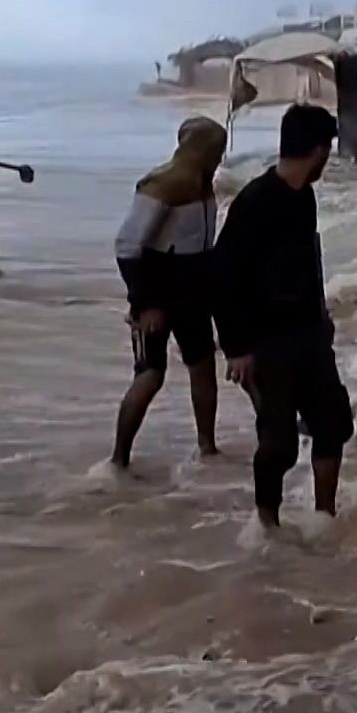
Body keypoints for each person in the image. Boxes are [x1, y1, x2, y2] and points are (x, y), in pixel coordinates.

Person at [214, 103, 353, 528]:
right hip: (265, 341)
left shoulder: (303, 197)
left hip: (309, 334)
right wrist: (236, 348)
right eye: (326, 150)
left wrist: (321, 315)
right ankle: (266, 528)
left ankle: (324, 517)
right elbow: (222, 277)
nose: (327, 160)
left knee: (332, 425)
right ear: (316, 150)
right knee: (279, 443)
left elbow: (308, 262)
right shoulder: (255, 203)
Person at [111, 116, 229, 468]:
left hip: (194, 290)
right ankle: (118, 459)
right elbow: (128, 246)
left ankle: (207, 449)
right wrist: (144, 303)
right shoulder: (162, 184)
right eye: (215, 150)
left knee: (203, 367)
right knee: (150, 374)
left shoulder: (203, 182)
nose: (220, 157)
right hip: (158, 291)